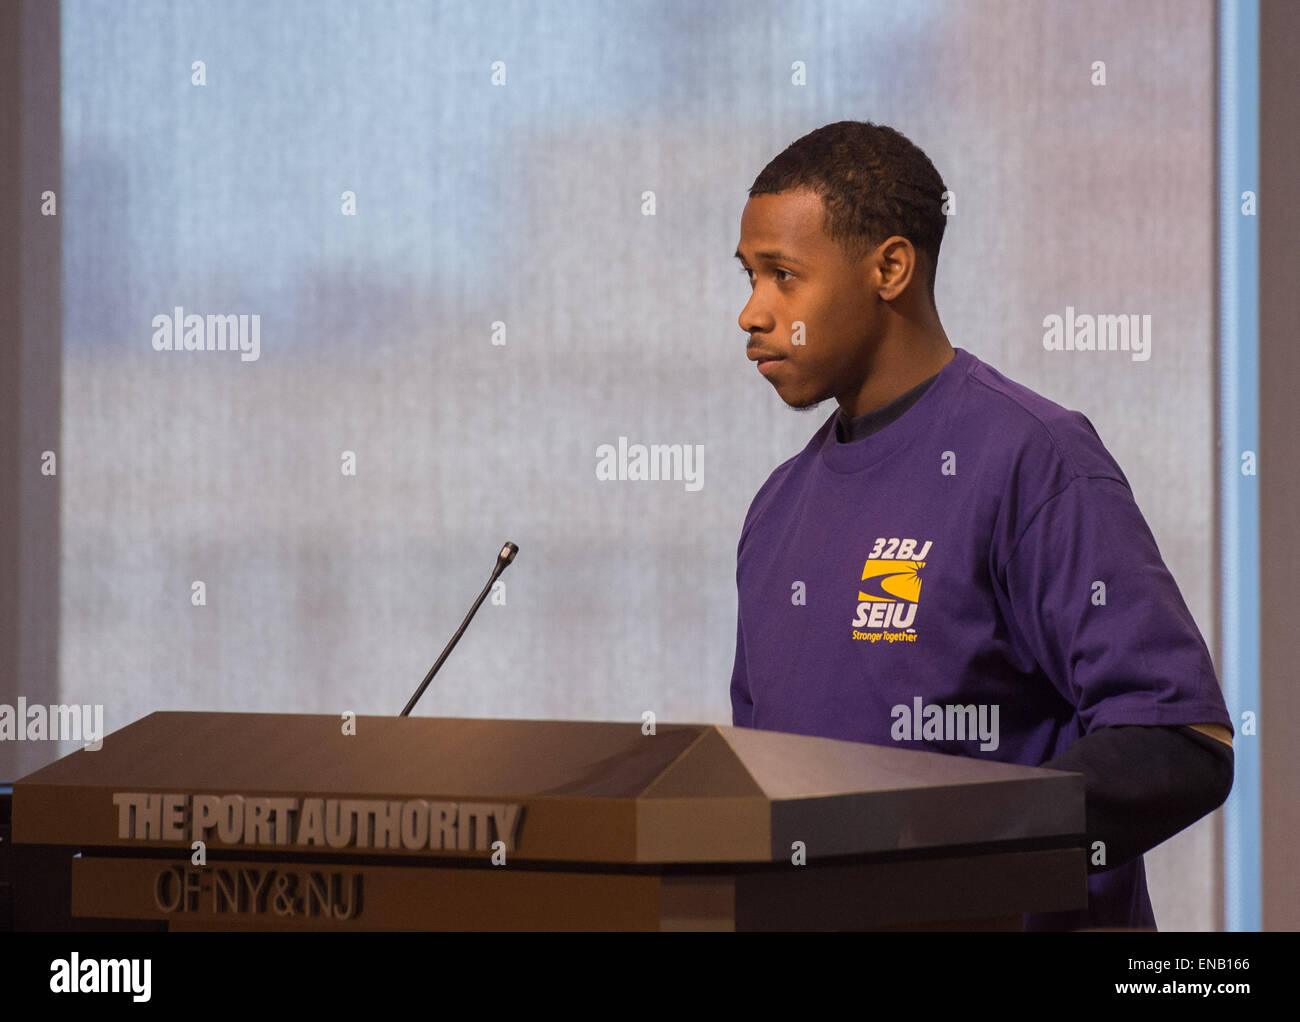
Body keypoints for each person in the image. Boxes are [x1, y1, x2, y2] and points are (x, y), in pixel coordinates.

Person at [729, 120, 1234, 931]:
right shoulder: (776, 510)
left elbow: (1178, 740)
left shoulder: (1032, 458)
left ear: (890, 267)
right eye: (750, 276)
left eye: (783, 276)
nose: (751, 313)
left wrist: (957, 851)